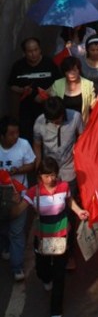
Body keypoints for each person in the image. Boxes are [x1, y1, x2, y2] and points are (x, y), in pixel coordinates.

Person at [24, 155, 88, 317]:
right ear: (40, 177)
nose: (51, 179)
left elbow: (69, 201)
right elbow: (21, 207)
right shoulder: (34, 192)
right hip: (42, 238)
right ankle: (46, 279)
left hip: (61, 237)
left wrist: (79, 211)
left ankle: (56, 310)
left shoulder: (64, 187)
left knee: (59, 274)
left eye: (53, 175)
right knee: (42, 269)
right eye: (46, 176)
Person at [0, 114, 35, 281]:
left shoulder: (24, 145)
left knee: (17, 232)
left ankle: (17, 267)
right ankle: (5, 248)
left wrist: (17, 171)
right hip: (1, 198)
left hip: (18, 197)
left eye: (17, 133)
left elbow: (31, 164)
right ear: (2, 135)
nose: (15, 137)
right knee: (5, 229)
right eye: (11, 134)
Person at [7, 37, 62, 141]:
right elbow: (11, 85)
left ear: (40, 49)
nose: (33, 54)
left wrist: (45, 93)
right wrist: (22, 90)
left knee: (47, 137)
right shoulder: (18, 66)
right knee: (27, 136)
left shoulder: (49, 63)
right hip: (26, 109)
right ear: (24, 52)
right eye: (30, 51)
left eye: (36, 50)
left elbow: (58, 82)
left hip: (47, 108)